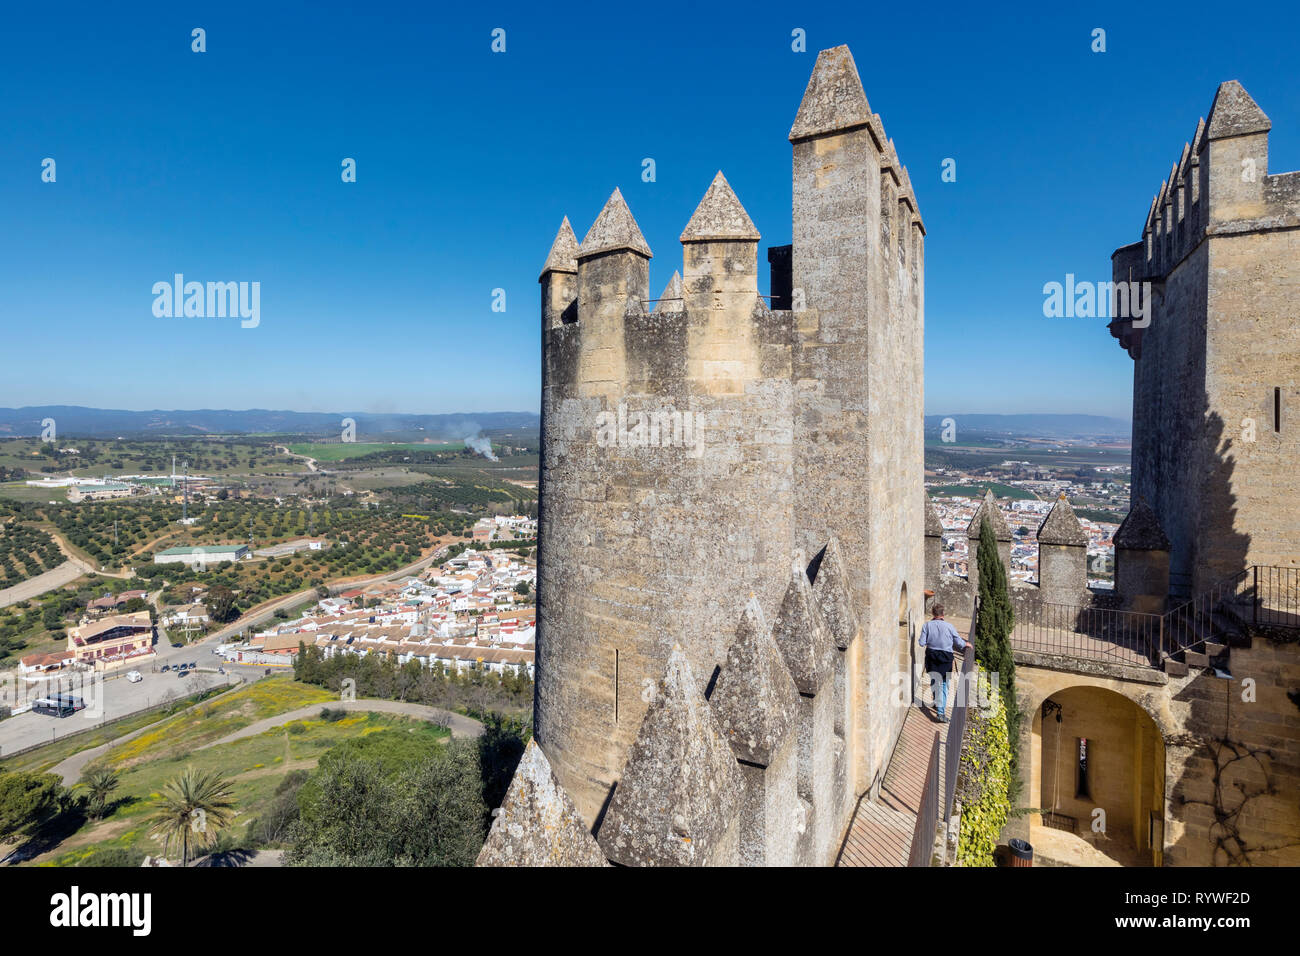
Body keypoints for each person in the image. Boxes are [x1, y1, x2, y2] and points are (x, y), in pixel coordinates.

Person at [918, 603, 968, 722]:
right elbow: (959, 642)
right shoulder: (949, 626)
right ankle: (941, 713)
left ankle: (937, 703)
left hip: (931, 655)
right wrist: (966, 644)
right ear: (943, 614)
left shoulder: (927, 626)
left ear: (933, 613)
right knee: (944, 684)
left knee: (935, 681)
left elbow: (921, 643)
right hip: (946, 657)